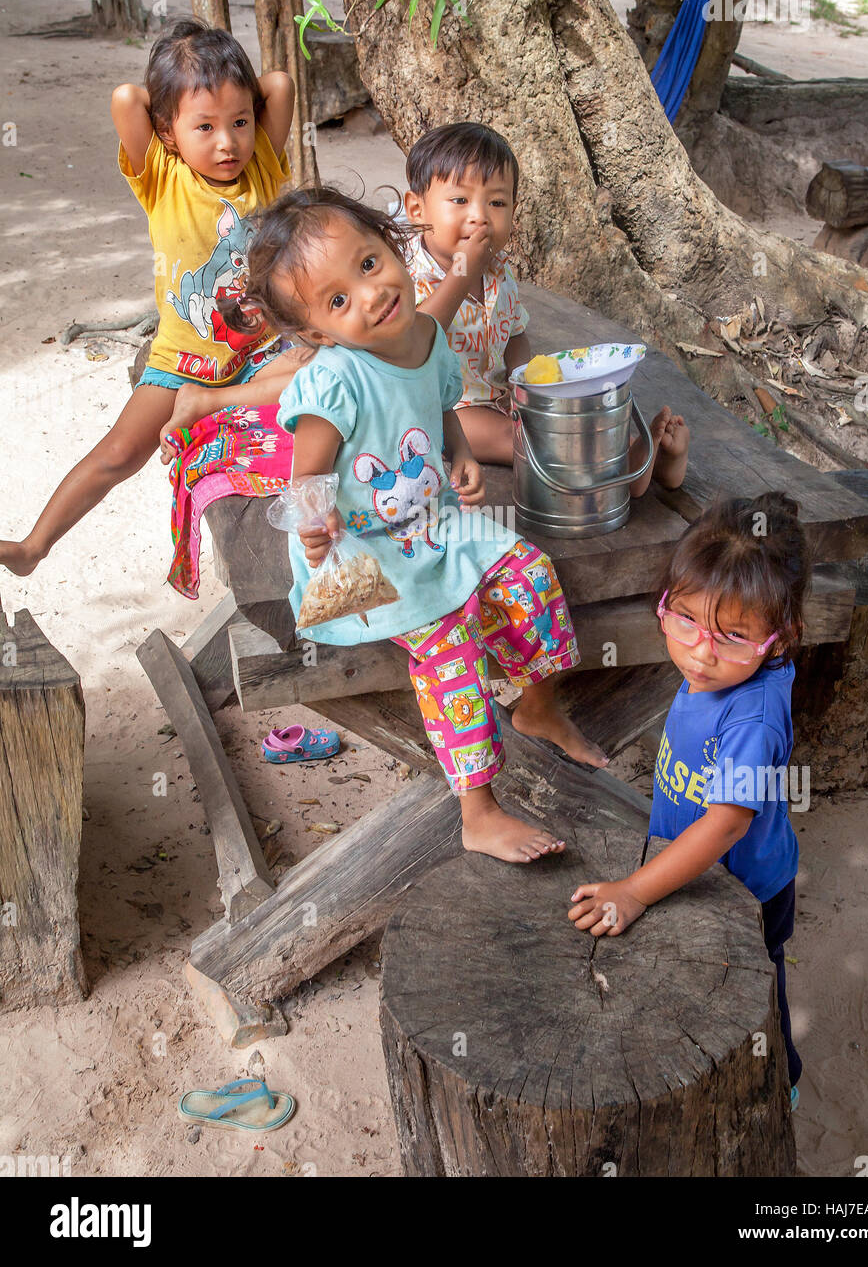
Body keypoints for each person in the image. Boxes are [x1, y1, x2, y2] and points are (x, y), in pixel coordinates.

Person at [225, 184, 609, 864]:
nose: (369, 295)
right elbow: (305, 472)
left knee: (528, 572)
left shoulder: (428, 336)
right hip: (351, 559)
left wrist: (458, 454)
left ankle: (537, 705)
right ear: (316, 331)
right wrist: (313, 525)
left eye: (369, 264)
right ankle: (478, 810)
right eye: (337, 300)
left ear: (393, 247)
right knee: (448, 641)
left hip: (426, 526)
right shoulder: (334, 381)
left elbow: (441, 404)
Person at [0, 19, 303, 577]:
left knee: (323, 398)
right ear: (167, 132)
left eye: (239, 122)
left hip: (263, 351)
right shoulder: (161, 176)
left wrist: (220, 98)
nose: (226, 142)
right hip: (181, 360)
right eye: (204, 127)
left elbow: (279, 84)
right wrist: (173, 103)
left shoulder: (262, 160)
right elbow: (126, 98)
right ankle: (33, 547)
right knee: (119, 453)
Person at [568, 492, 807, 1101]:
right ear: (666, 604)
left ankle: (780, 1080)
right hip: (691, 865)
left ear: (779, 641)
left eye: (731, 635)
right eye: (687, 621)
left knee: (756, 982)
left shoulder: (751, 720)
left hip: (746, 886)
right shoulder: (727, 667)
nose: (702, 652)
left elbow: (727, 824)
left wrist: (635, 890)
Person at [402, 122, 689, 493]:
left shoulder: (498, 272)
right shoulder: (405, 275)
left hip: (502, 399)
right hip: (441, 412)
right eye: (460, 200)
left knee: (563, 414)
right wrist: (462, 271)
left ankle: (648, 458)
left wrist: (525, 383)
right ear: (416, 208)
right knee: (521, 439)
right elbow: (418, 337)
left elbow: (515, 335)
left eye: (497, 202)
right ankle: (627, 467)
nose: (480, 215)